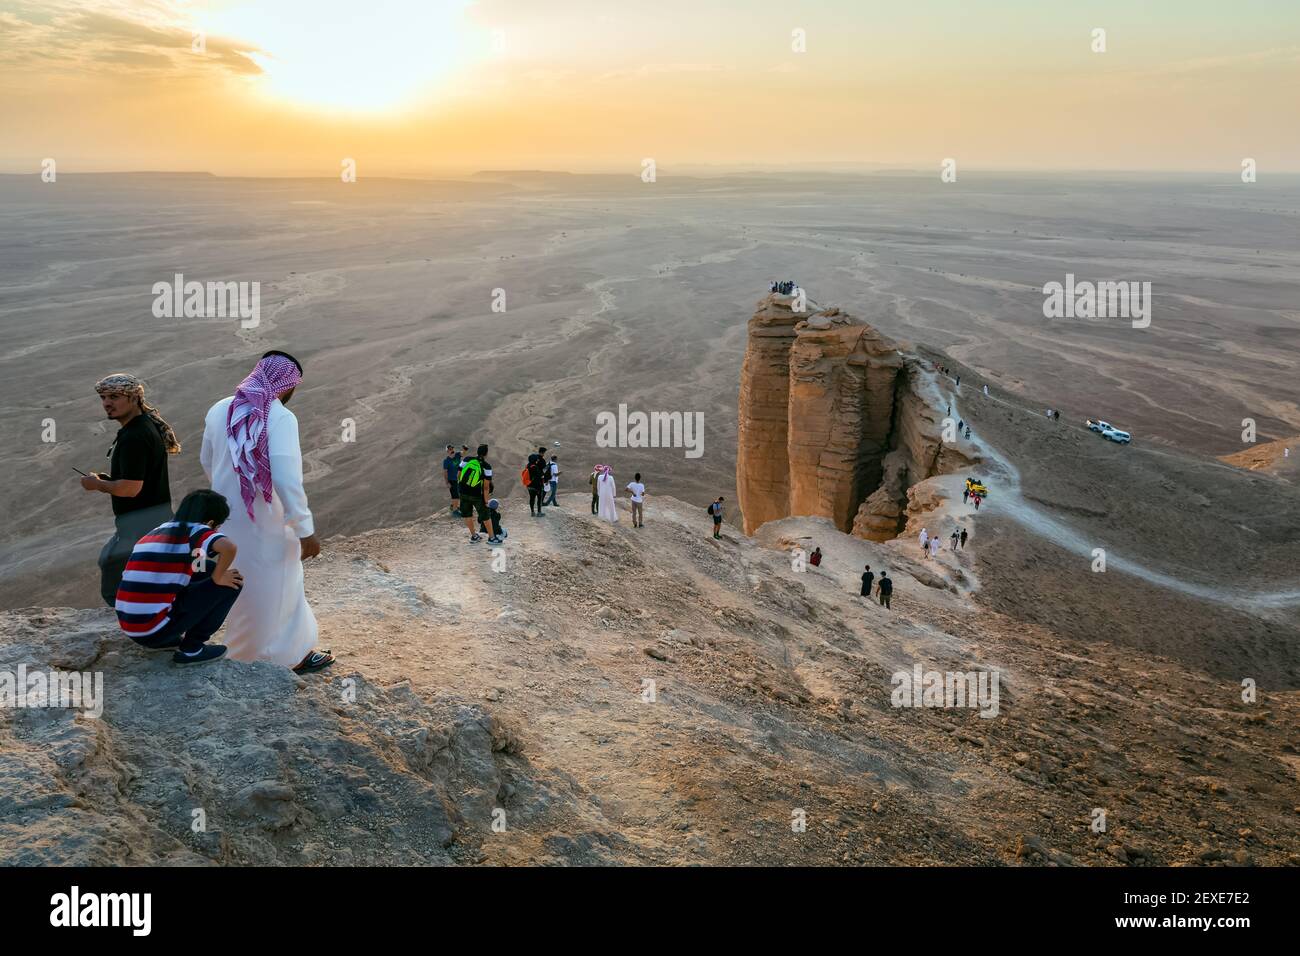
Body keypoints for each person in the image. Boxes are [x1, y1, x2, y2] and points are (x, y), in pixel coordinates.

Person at [200, 351, 332, 673]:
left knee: (241, 587)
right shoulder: (280, 416)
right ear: (287, 385)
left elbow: (207, 460)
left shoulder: (220, 408)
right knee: (280, 587)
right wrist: (305, 529)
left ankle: (244, 652)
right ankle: (284, 658)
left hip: (227, 520)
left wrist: (229, 492)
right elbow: (286, 478)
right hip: (267, 521)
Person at [114, 489, 241, 665]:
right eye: (217, 526)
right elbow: (229, 547)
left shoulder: (157, 531)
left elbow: (197, 568)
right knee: (232, 582)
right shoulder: (196, 530)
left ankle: (166, 640)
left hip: (134, 628)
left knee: (206, 569)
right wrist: (219, 577)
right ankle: (192, 649)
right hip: (153, 629)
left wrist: (211, 574)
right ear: (210, 522)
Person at [84, 373, 179, 607]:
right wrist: (109, 481)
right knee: (126, 573)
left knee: (116, 586)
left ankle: (135, 623)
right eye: (104, 397)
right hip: (151, 521)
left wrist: (97, 485)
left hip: (141, 526)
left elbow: (129, 489)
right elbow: (135, 480)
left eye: (114, 397)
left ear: (134, 398)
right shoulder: (142, 426)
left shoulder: (134, 436)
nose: (107, 403)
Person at [457, 444, 494, 542]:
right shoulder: (487, 466)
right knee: (485, 516)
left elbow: (459, 474)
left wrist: (461, 487)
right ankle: (492, 538)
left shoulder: (467, 459)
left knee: (467, 515)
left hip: (463, 492)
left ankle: (474, 536)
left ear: (477, 452)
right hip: (476, 494)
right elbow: (486, 487)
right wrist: (486, 501)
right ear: (486, 454)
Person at [442, 444, 462, 516]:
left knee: (459, 494)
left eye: (452, 449)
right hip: (452, 480)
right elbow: (445, 472)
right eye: (450, 449)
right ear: (447, 451)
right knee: (455, 495)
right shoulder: (446, 461)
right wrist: (447, 482)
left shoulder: (457, 455)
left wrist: (465, 449)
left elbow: (463, 453)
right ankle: (455, 511)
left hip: (459, 479)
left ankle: (454, 506)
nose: (452, 450)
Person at [526, 452, 547, 516]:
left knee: (532, 498)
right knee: (539, 499)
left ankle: (532, 512)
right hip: (537, 486)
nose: (537, 460)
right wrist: (544, 471)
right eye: (536, 459)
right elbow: (540, 475)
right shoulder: (535, 467)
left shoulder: (528, 465)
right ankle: (539, 512)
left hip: (529, 485)